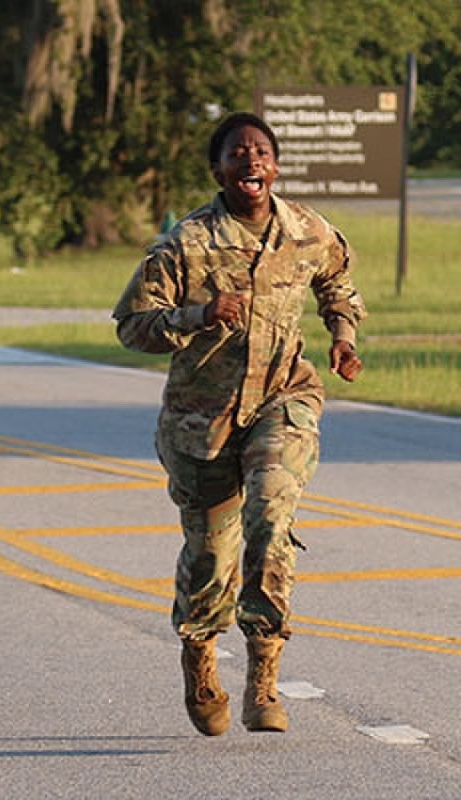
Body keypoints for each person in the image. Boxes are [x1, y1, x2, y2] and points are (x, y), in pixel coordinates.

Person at [113, 112, 366, 736]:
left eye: (261, 151)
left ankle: (264, 677)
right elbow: (132, 325)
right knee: (211, 557)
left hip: (283, 397)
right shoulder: (187, 243)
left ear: (274, 167)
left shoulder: (306, 230)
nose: (251, 160)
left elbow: (338, 283)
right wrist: (197, 315)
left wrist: (343, 336)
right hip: (203, 420)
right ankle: (200, 655)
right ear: (218, 170)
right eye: (237, 152)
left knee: (272, 519)